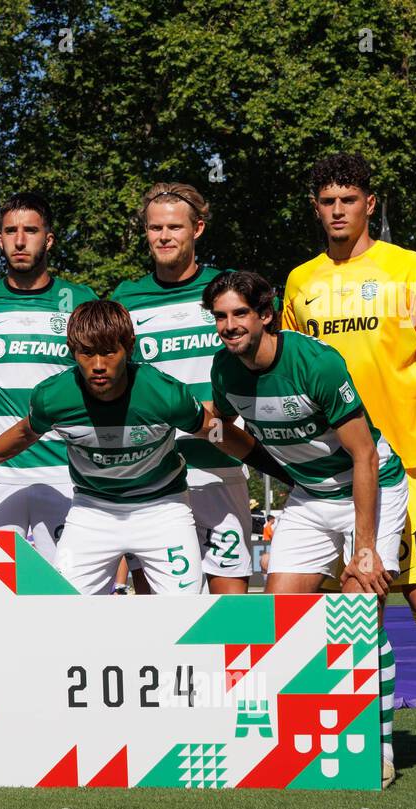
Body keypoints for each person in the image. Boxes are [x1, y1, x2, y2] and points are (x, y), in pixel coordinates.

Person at [281, 152, 416, 784]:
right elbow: (287, 371)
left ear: (370, 203)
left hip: (411, 464)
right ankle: (368, 741)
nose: (337, 211)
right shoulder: (298, 283)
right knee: (345, 605)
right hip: (331, 473)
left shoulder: (407, 267)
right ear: (316, 208)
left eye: (348, 199)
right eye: (326, 201)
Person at [208, 270, 406, 787]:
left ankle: (378, 751)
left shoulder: (315, 362)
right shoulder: (224, 370)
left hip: (370, 486)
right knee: (279, 620)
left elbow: (363, 454)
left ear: (265, 315)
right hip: (309, 497)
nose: (229, 326)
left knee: (362, 617)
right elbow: (223, 428)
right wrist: (198, 426)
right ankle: (291, 740)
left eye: (239, 314)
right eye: (221, 317)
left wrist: (364, 549)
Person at [0, 299, 284, 595]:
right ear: (72, 351)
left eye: (109, 352)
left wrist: (277, 467)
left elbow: (214, 432)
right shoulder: (52, 397)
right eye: (87, 353)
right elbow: (22, 436)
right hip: (92, 512)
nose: (98, 365)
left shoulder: (166, 394)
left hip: (163, 510)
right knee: (62, 608)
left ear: (129, 347)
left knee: (187, 613)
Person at [111, 183, 254, 594]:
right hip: (152, 474)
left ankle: (231, 662)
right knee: (161, 610)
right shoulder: (126, 297)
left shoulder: (227, 290)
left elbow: (252, 368)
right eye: (155, 228)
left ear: (199, 229)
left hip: (218, 462)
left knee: (231, 603)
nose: (164, 236)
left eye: (175, 227)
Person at [0, 192, 98, 560]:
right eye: (11, 231)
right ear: (0, 239)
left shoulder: (80, 298)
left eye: (31, 230)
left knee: (69, 591)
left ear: (48, 239)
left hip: (63, 470)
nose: (20, 241)